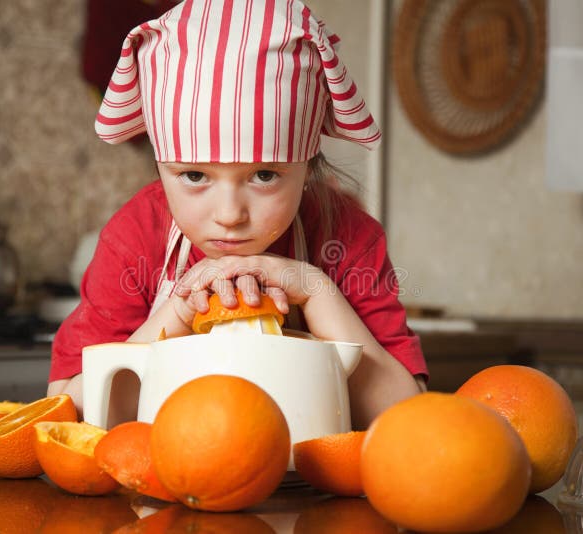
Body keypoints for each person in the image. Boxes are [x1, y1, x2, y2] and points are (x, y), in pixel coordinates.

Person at [48, 0, 428, 429]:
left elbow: (408, 419)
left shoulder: (348, 237)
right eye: (194, 175)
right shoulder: (134, 238)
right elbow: (66, 411)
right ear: (160, 167)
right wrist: (177, 314)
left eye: (264, 175)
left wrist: (318, 292)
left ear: (308, 164)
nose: (229, 215)